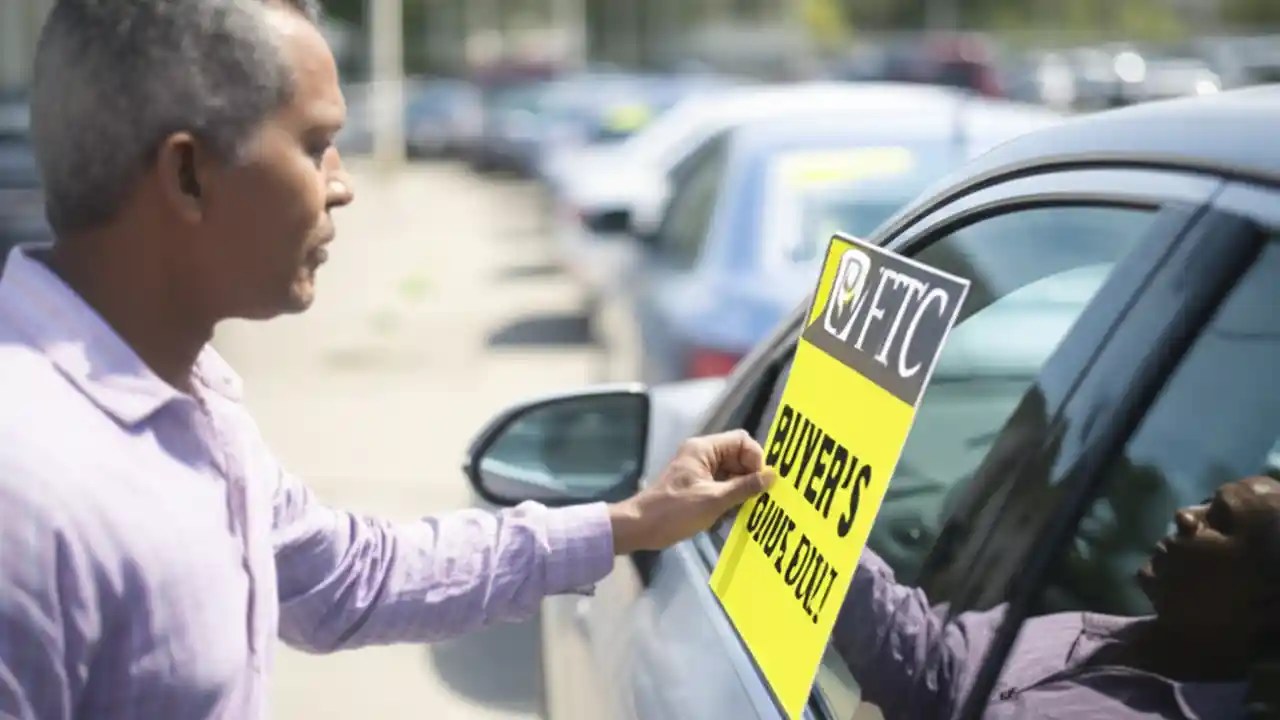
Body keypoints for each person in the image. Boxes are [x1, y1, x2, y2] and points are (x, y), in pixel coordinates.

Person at [0, 2, 773, 719]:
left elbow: (346, 579)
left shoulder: (190, 392)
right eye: (314, 146)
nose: (342, 186)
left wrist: (631, 523)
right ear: (189, 175)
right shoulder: (27, 494)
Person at [833, 475, 1280, 719]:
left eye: (1220, 521)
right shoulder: (1079, 631)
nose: (1185, 516)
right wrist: (809, 524)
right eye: (1205, 501)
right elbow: (928, 668)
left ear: (1264, 602)